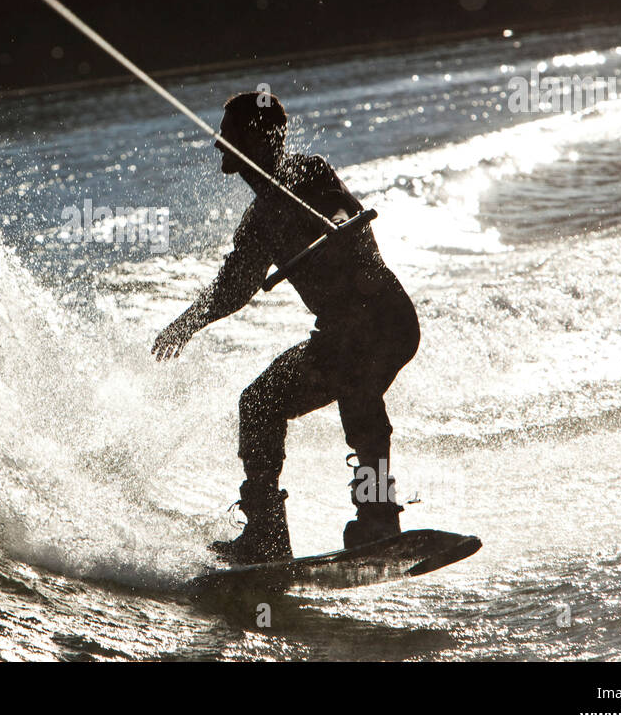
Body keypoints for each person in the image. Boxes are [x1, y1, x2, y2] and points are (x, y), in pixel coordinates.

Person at [152, 91, 420, 565]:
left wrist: (338, 222)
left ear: (259, 139)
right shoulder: (258, 224)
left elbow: (338, 207)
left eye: (228, 134)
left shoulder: (309, 172)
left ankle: (378, 516)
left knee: (357, 385)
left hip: (383, 318)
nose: (219, 144)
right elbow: (233, 288)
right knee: (259, 404)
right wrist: (187, 324)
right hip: (339, 334)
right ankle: (265, 535)